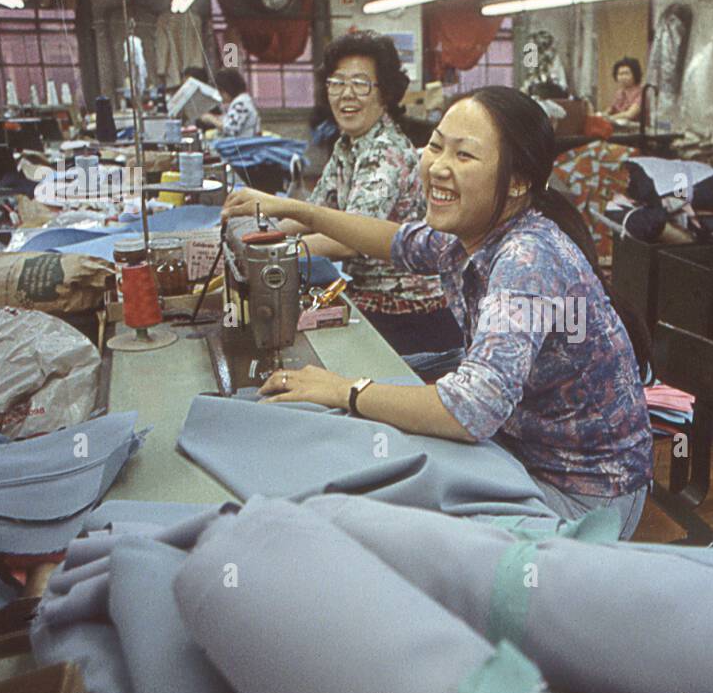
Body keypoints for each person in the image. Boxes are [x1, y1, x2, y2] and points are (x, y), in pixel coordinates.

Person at [222, 86, 654, 538]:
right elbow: (391, 241)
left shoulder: (526, 258)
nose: (438, 168)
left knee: (391, 526)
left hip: (585, 494)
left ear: (518, 181)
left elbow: (471, 411)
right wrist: (298, 211)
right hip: (518, 448)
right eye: (434, 146)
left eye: (464, 156)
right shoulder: (473, 233)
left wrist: (344, 390)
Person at [277, 30, 460, 355]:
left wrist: (273, 252)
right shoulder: (347, 145)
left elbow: (349, 239)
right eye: (337, 83)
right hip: (369, 300)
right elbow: (314, 213)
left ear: (384, 93)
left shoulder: (383, 151)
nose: (347, 95)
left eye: (361, 84)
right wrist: (261, 233)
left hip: (410, 315)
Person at [200, 68, 260, 138]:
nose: (220, 95)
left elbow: (230, 129)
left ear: (229, 89)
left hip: (241, 145)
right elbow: (232, 119)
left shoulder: (241, 104)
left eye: (221, 91)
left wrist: (211, 119)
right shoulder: (242, 102)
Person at [608, 57, 644, 122]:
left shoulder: (641, 92)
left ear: (635, 74)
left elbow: (630, 114)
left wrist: (609, 118)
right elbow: (610, 109)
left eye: (627, 73)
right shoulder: (619, 92)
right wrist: (600, 115)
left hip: (637, 129)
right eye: (620, 74)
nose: (623, 77)